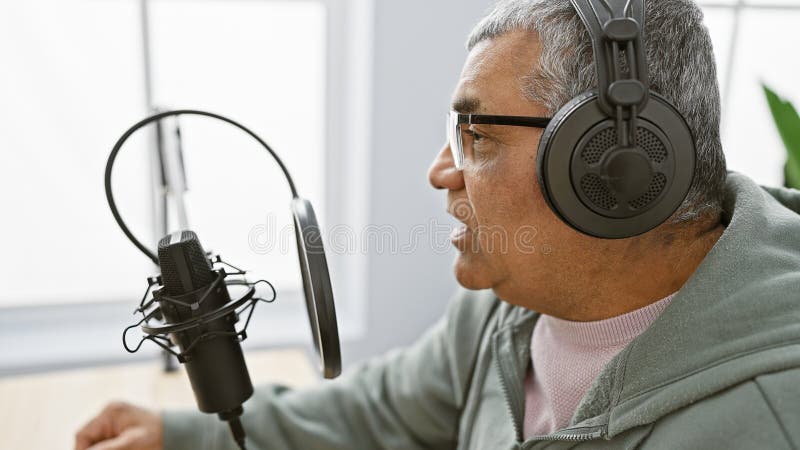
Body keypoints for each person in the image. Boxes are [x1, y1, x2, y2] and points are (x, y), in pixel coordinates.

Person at [76, 0, 800, 449]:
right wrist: (182, 434)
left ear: (615, 168)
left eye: (476, 134)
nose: (440, 171)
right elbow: (377, 412)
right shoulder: (504, 312)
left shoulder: (764, 425)